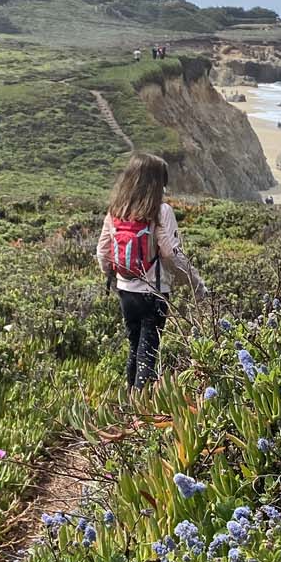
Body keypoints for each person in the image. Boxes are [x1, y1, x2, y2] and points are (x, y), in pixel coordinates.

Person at [95, 152, 207, 388]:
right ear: (157, 182)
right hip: (153, 292)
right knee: (148, 352)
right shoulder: (159, 211)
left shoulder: (116, 211)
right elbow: (171, 254)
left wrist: (112, 275)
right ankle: (141, 413)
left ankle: (131, 402)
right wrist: (196, 284)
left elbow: (102, 252)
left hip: (125, 291)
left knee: (134, 347)